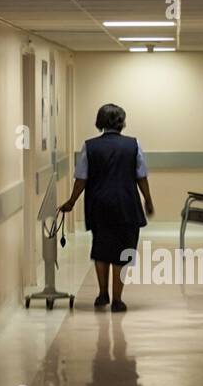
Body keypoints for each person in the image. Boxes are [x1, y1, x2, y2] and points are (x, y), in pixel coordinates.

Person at [59, 103, 154, 312]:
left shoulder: (89, 146)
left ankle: (103, 294)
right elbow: (141, 176)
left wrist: (71, 201)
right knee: (122, 250)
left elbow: (81, 179)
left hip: (99, 203)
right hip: (127, 204)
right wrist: (148, 200)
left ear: (99, 122)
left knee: (101, 248)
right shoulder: (133, 144)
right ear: (121, 122)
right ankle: (118, 300)